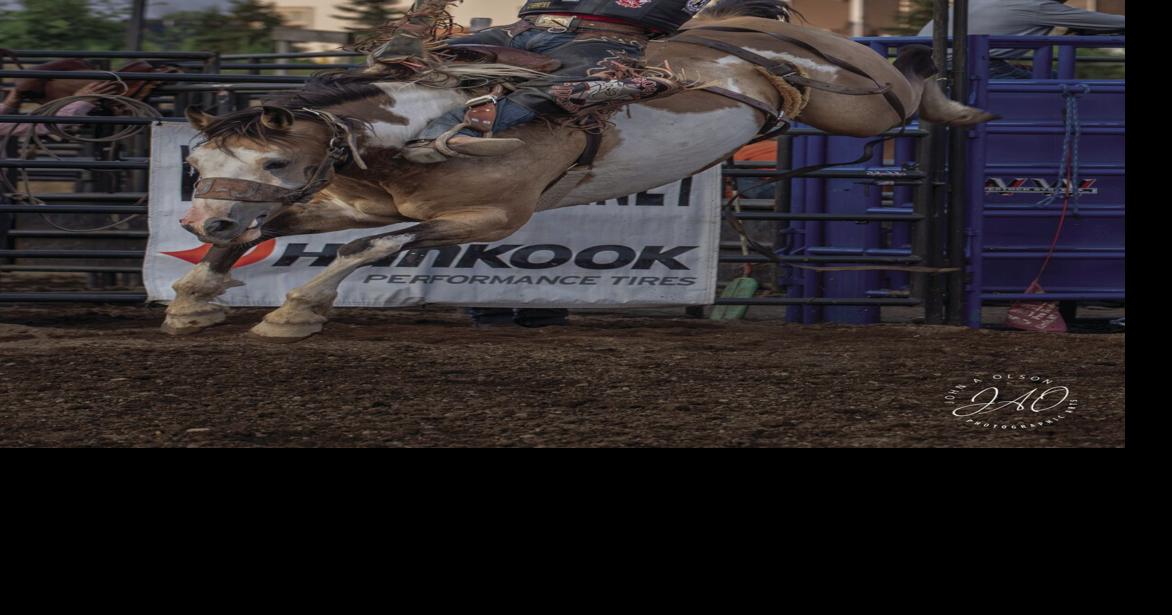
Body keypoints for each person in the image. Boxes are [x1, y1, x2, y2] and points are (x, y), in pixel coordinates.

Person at [399, 0, 717, 163]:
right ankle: (354, 116)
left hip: (608, 40)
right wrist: (413, 29)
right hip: (520, 29)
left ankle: (457, 128)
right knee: (407, 59)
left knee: (574, 83)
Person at [918, 0, 1125, 79]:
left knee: (1046, 77)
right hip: (965, 63)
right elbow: (1113, 22)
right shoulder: (1040, 7)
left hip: (922, 60)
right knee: (1057, 84)